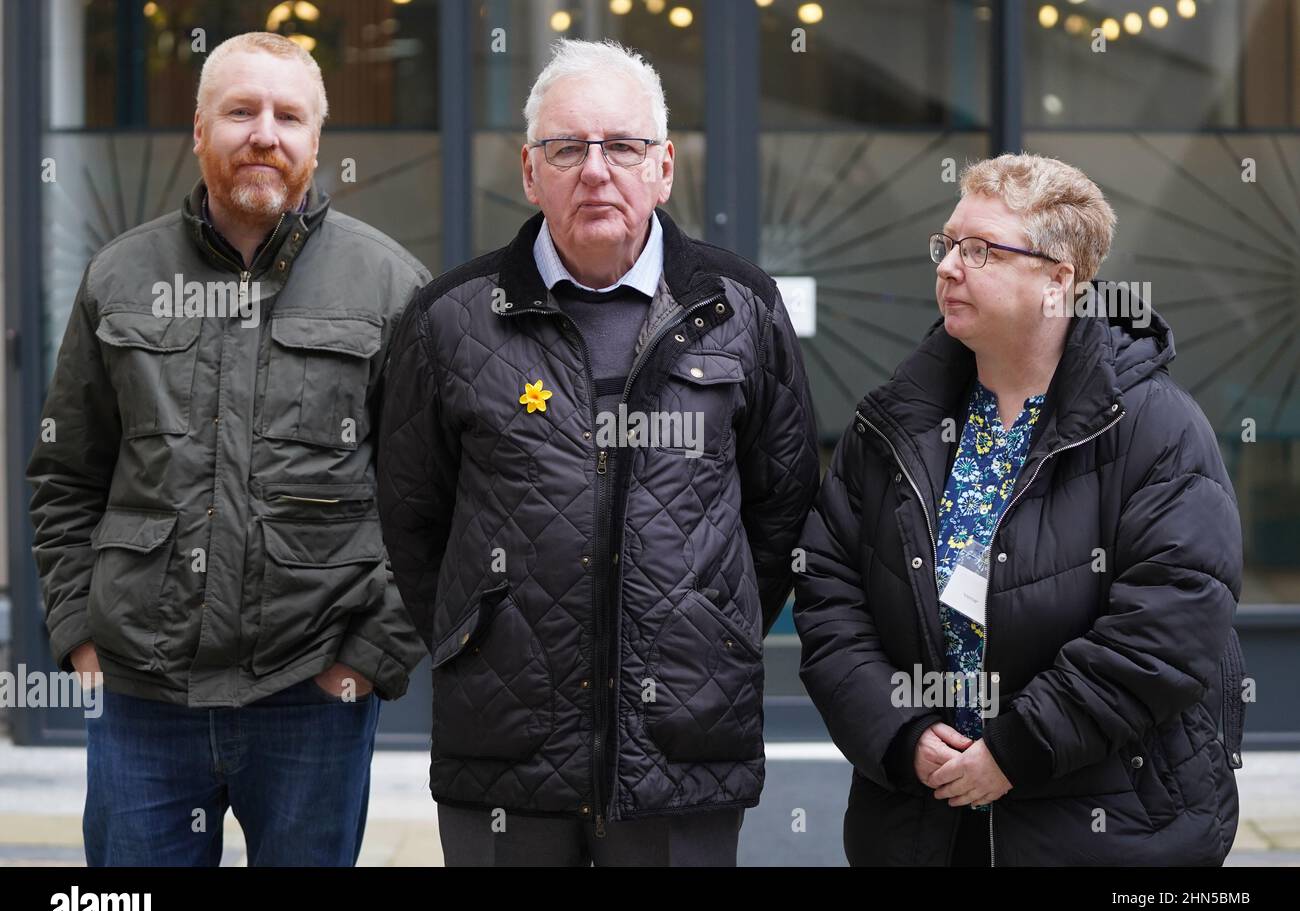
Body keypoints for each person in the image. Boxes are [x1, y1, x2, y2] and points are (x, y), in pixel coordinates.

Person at [378, 38, 820, 866]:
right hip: (505, 743)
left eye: (621, 146)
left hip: (684, 739)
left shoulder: (740, 308)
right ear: (528, 171)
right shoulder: (450, 318)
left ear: (662, 169)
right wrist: (479, 630)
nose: (594, 169)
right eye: (567, 147)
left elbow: (782, 503)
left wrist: (712, 625)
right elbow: (413, 516)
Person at [26, 32, 430, 866]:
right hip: (141, 696)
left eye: (289, 115)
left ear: (317, 141)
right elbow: (66, 475)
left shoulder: (389, 287)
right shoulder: (119, 278)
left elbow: (432, 501)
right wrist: (79, 636)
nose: (264, 134)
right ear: (199, 129)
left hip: (311, 694)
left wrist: (366, 659)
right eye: (240, 111)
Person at [794, 153, 1246, 866]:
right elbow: (828, 592)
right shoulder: (893, 424)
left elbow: (1170, 622)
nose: (948, 267)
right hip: (922, 821)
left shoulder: (1155, 427)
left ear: (1058, 280)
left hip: (1105, 824)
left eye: (982, 251)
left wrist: (1014, 751)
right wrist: (901, 732)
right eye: (947, 245)